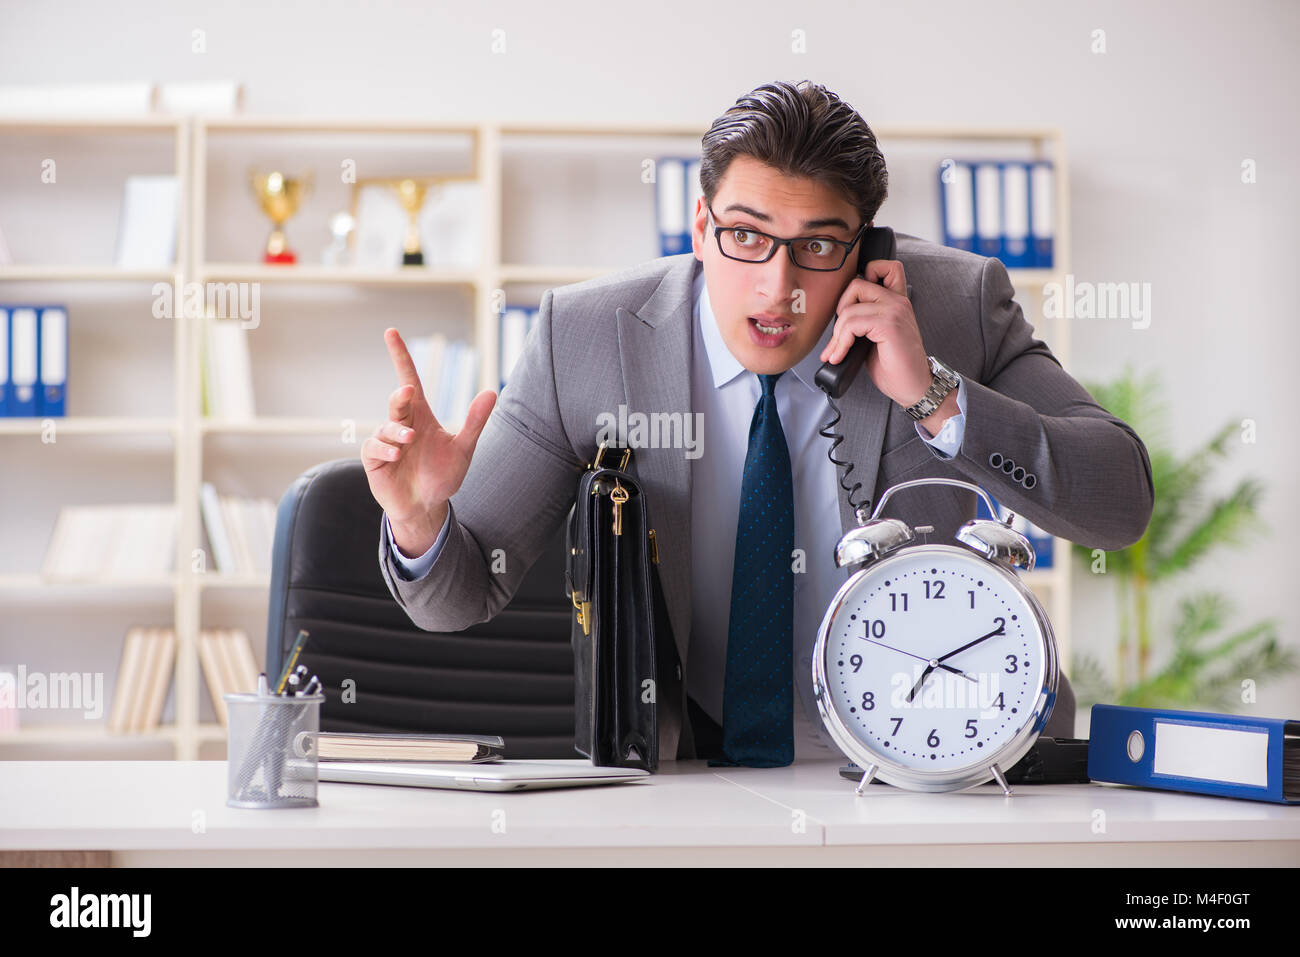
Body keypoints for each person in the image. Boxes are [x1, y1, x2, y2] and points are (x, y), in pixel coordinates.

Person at [362, 80, 1154, 767]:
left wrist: (938, 396)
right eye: (746, 236)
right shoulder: (588, 337)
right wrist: (421, 521)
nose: (777, 288)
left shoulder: (954, 307)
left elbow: (1120, 504)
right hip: (691, 771)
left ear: (866, 247)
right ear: (701, 228)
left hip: (945, 759)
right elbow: (459, 595)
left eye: (817, 244)